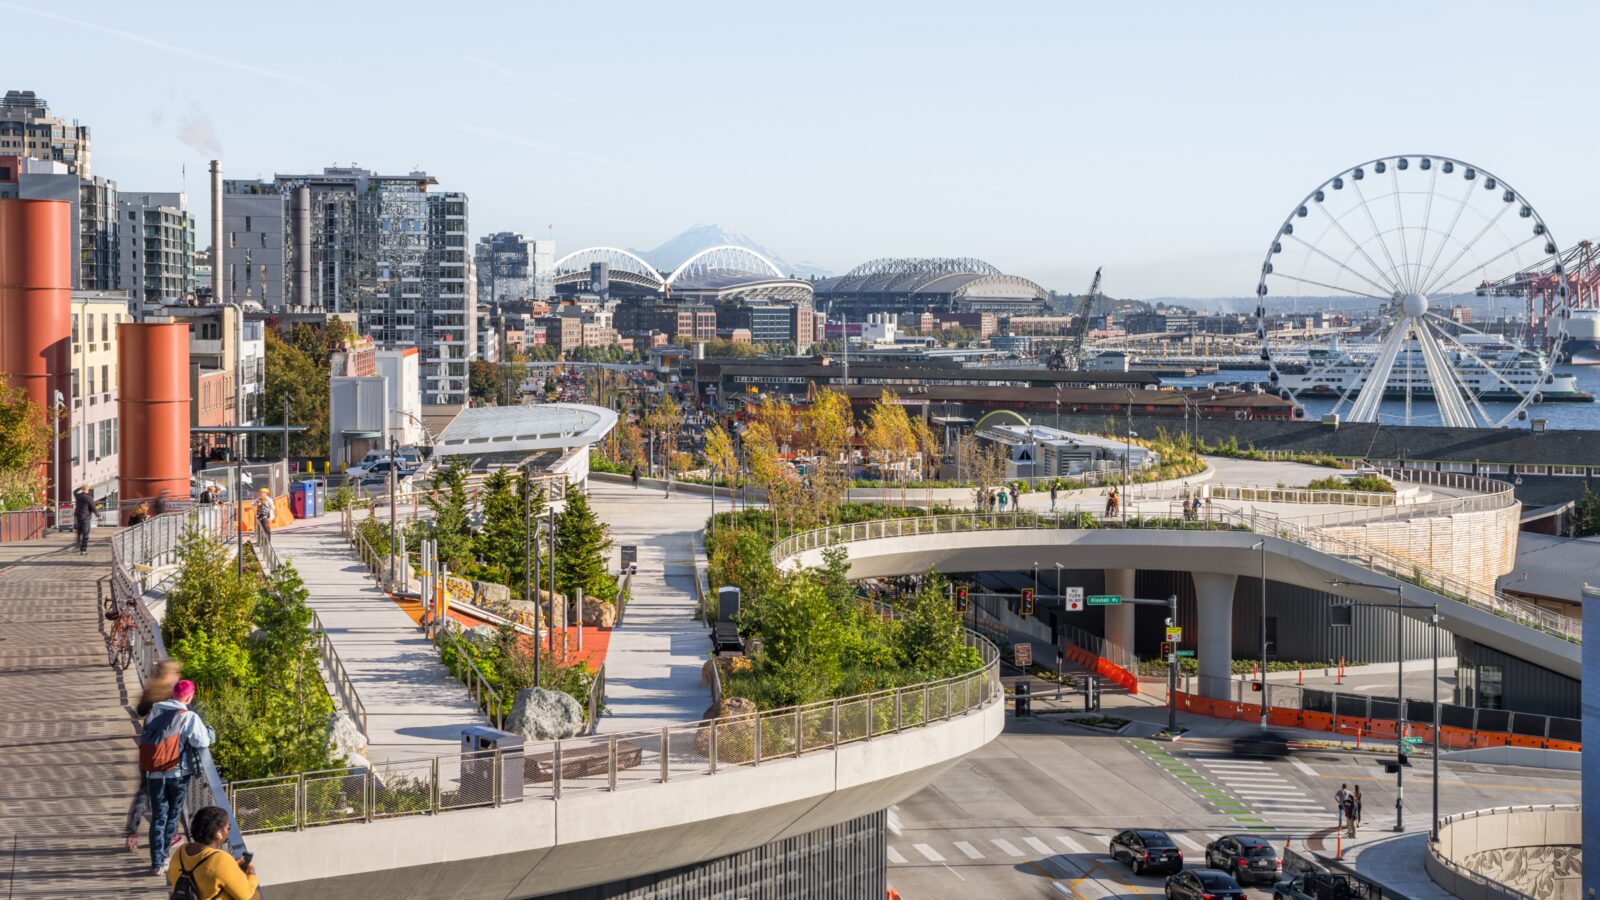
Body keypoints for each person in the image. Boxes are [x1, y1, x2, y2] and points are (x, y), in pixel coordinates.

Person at [141, 680, 214, 875]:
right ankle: (164, 856)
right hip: (177, 774)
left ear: (173, 694)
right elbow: (201, 741)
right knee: (172, 816)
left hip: (154, 773)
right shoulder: (188, 716)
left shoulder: (155, 710)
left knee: (158, 816)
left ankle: (156, 862)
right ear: (189, 698)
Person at [125, 659, 183, 852]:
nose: (178, 677)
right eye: (176, 673)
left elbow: (140, 711)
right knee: (167, 793)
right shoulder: (172, 695)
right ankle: (169, 834)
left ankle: (132, 833)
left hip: (148, 748)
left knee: (144, 791)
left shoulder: (152, 689)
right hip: (167, 750)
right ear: (169, 675)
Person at [166, 806, 259, 899]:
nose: (228, 832)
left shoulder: (180, 852)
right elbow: (245, 895)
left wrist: (231, 867)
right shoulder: (221, 859)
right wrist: (252, 875)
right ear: (218, 833)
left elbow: (172, 875)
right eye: (228, 828)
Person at [72, 485, 98, 554]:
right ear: (88, 489)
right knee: (85, 535)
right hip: (86, 517)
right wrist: (98, 515)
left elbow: (74, 491)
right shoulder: (89, 498)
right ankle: (83, 550)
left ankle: (78, 541)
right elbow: (93, 508)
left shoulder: (78, 496)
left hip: (78, 517)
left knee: (79, 531)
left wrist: (80, 487)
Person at [254, 489, 273, 555]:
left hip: (264, 519)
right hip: (262, 519)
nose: (257, 503)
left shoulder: (264, 504)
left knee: (265, 530)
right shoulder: (261, 504)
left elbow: (264, 513)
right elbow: (253, 504)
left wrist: (258, 517)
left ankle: (266, 542)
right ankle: (262, 541)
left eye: (258, 502)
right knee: (262, 530)